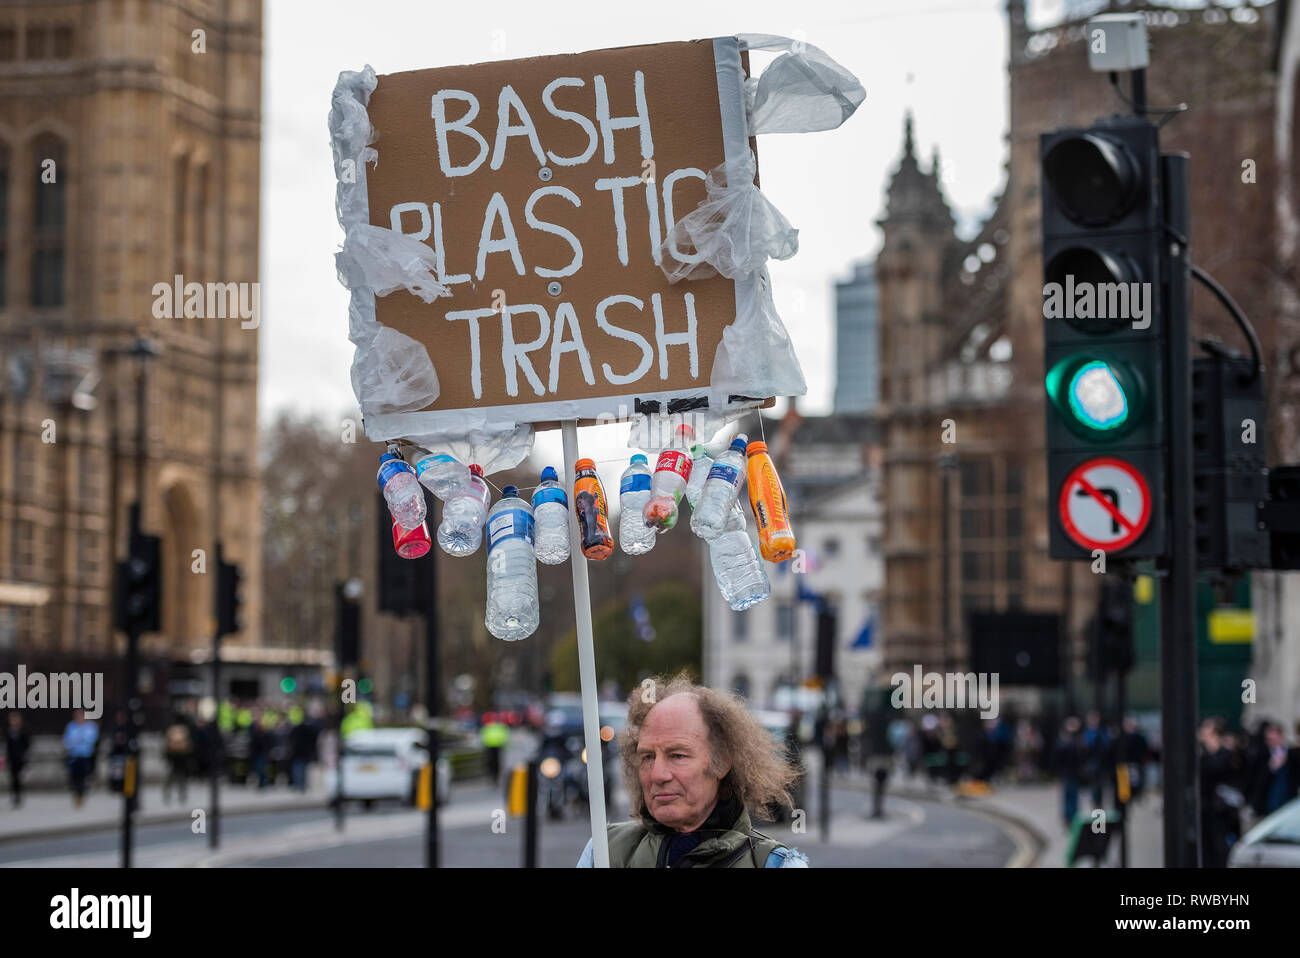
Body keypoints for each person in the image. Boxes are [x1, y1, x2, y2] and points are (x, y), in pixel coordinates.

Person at [576, 672, 808, 868]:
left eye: (677, 755)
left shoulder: (774, 863)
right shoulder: (603, 851)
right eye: (647, 757)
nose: (657, 775)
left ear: (721, 762)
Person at [1248, 722, 1300, 819]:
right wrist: (1270, 768)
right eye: (1269, 739)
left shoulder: (1293, 754)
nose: (1271, 742)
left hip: (1288, 803)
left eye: (1273, 739)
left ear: (1281, 736)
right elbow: (1256, 782)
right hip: (1269, 805)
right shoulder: (1262, 756)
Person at [62, 709, 99, 807]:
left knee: (84, 776)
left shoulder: (91, 726)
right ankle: (77, 794)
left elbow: (91, 740)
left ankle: (81, 794)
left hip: (86, 755)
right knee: (74, 777)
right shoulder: (71, 726)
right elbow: (67, 741)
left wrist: (77, 740)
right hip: (74, 754)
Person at [163, 711, 194, 803]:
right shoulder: (185, 728)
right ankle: (182, 794)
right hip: (182, 755)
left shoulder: (171, 728)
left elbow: (167, 742)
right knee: (182, 775)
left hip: (173, 755)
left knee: (172, 775)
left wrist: (167, 755)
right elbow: (189, 743)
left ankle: (167, 793)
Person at [5, 712, 32, 807]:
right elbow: (8, 746)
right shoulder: (9, 731)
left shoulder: (24, 730)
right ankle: (15, 796)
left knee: (18, 778)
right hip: (12, 758)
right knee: (13, 778)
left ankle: (19, 796)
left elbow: (27, 744)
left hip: (20, 759)